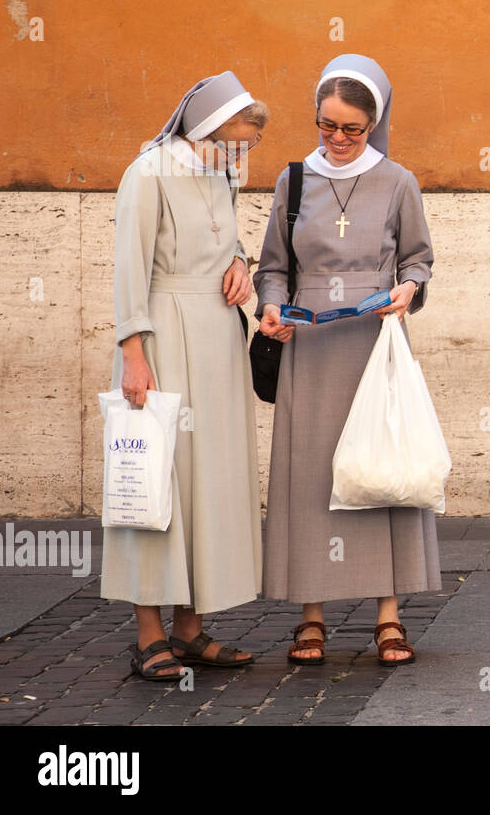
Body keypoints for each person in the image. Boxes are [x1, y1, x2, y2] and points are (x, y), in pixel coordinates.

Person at [254, 53, 440, 666]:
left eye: (351, 129)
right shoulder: (294, 181)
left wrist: (408, 290)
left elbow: (417, 258)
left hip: (372, 341)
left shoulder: (398, 181)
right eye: (326, 125)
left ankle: (389, 616)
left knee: (378, 465)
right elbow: (274, 266)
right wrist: (272, 308)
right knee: (314, 475)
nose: (337, 139)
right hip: (309, 344)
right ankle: (313, 614)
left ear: (374, 124)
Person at [104, 71, 267, 680]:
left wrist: (241, 264)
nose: (242, 157)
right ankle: (149, 634)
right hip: (163, 338)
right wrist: (134, 353)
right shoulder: (147, 174)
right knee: (161, 482)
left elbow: (225, 240)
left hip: (218, 337)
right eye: (238, 143)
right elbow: (129, 266)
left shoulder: (218, 171)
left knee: (210, 483)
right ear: (207, 129)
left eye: (248, 147)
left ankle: (191, 630)